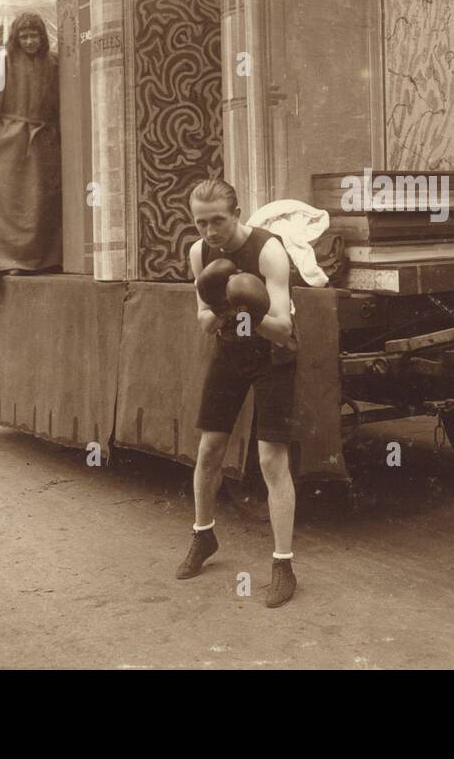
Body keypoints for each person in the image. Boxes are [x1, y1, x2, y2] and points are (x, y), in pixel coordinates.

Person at [176, 178, 300, 608]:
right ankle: (203, 536)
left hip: (272, 355)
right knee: (209, 449)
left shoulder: (268, 250)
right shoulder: (199, 252)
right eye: (201, 222)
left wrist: (249, 307)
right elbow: (204, 319)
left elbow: (283, 329)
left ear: (237, 213)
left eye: (218, 221)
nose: (210, 232)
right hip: (230, 351)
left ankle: (283, 564)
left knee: (270, 458)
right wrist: (221, 304)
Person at [0, 13, 61, 276]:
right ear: (16, 39)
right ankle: (3, 260)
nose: (30, 42)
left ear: (42, 37)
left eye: (35, 36)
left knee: (38, 203)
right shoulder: (3, 62)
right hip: (7, 141)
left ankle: (39, 260)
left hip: (43, 142)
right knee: (6, 201)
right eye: (24, 37)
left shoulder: (53, 63)